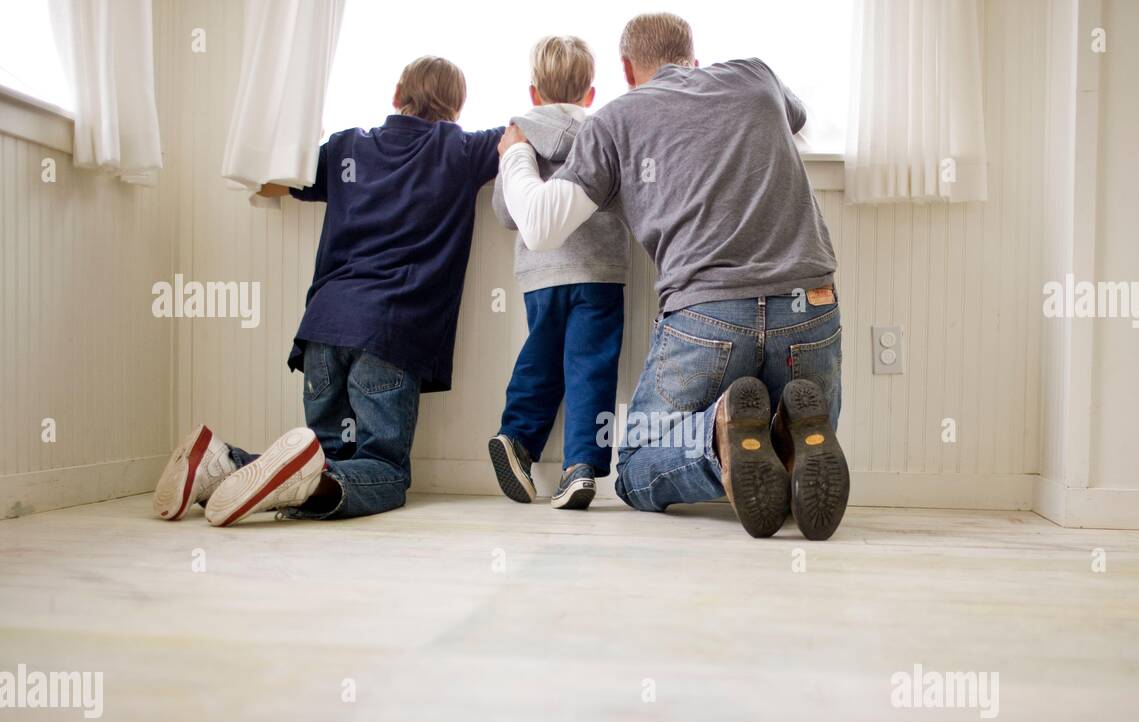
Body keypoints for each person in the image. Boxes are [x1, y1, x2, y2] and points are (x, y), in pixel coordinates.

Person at [497, 13, 850, 539]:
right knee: (787, 434)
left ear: (625, 69)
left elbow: (542, 225)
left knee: (635, 467)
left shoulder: (617, 120)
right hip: (811, 305)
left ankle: (719, 442)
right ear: (694, 56)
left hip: (708, 316)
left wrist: (516, 154)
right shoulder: (756, 75)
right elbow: (796, 121)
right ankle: (789, 443)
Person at [153, 56, 503, 526]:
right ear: (456, 109)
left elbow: (275, 179)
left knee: (326, 453)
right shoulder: (460, 150)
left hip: (323, 326)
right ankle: (291, 479)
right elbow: (528, 136)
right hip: (391, 334)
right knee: (385, 470)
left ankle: (223, 463)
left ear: (396, 95)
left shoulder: (346, 148)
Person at [488, 36, 630, 510]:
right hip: (599, 272)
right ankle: (580, 468)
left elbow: (508, 214)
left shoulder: (519, 134)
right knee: (590, 366)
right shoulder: (603, 131)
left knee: (541, 358)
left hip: (541, 274)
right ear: (590, 93)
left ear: (534, 93)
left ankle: (517, 441)